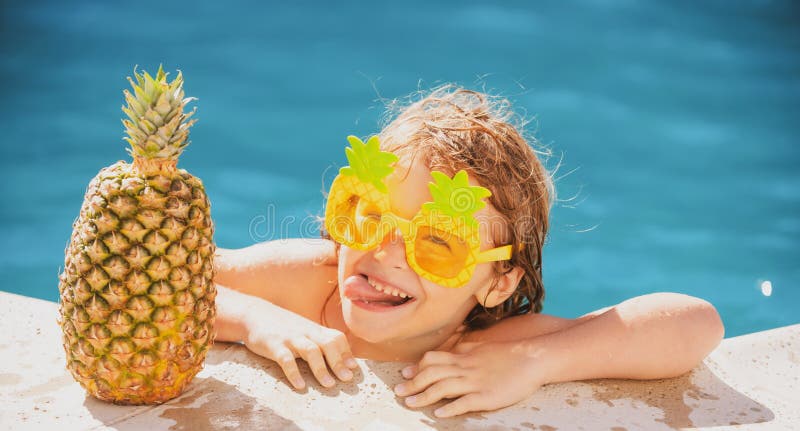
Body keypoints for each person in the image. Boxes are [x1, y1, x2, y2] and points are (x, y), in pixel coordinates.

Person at [212, 86, 724, 418]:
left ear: (498, 282)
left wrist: (535, 362)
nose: (388, 254)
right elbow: (159, 274)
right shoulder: (306, 280)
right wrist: (250, 317)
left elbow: (695, 324)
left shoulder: (486, 345)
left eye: (437, 241)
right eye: (370, 216)